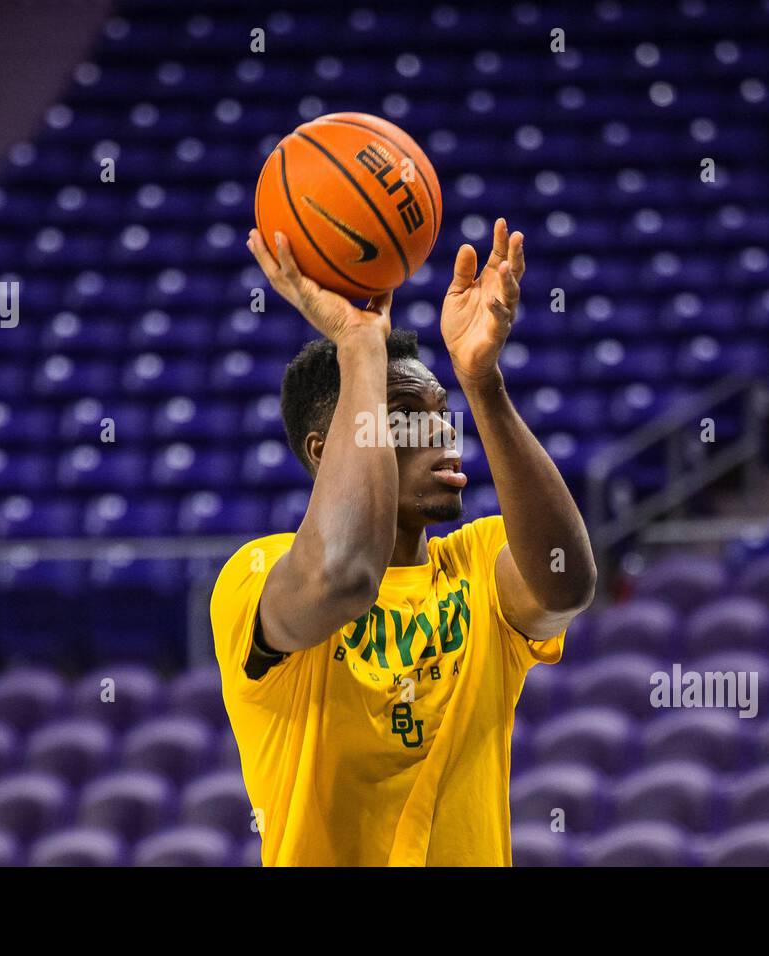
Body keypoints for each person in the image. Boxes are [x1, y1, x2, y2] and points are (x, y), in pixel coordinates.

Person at [211, 219, 596, 866]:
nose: (443, 433)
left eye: (443, 412)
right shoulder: (257, 573)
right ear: (322, 448)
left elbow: (566, 585)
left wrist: (483, 384)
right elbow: (344, 576)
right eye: (403, 418)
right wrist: (360, 343)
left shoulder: (477, 562)